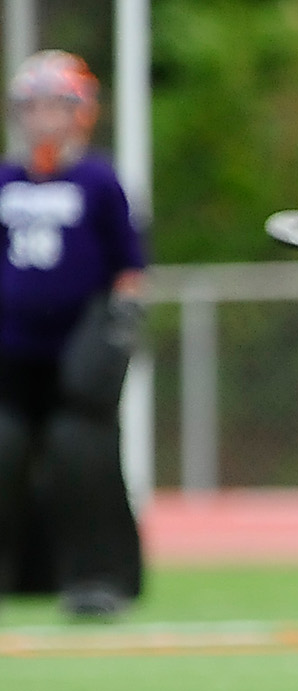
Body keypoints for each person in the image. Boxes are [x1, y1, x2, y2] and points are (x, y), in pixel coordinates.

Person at [0, 50, 146, 619]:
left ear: (80, 113)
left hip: (78, 346)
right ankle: (19, 572)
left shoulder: (97, 180)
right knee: (5, 446)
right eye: (32, 107)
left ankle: (98, 577)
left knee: (78, 449)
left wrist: (118, 323)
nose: (42, 119)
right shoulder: (6, 179)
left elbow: (128, 265)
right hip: (13, 349)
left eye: (54, 106)